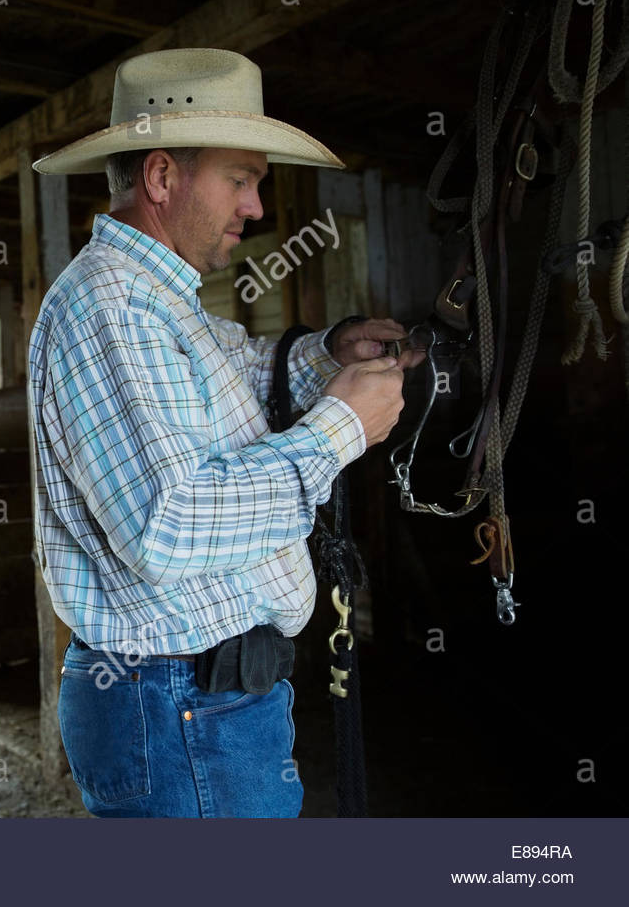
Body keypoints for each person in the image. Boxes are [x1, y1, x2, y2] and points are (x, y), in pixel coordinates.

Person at [26, 49, 423, 818]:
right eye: (240, 179)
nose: (255, 207)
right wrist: (340, 431)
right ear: (163, 177)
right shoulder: (113, 310)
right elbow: (167, 525)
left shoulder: (159, 302)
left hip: (196, 702)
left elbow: (238, 373)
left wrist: (328, 354)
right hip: (181, 706)